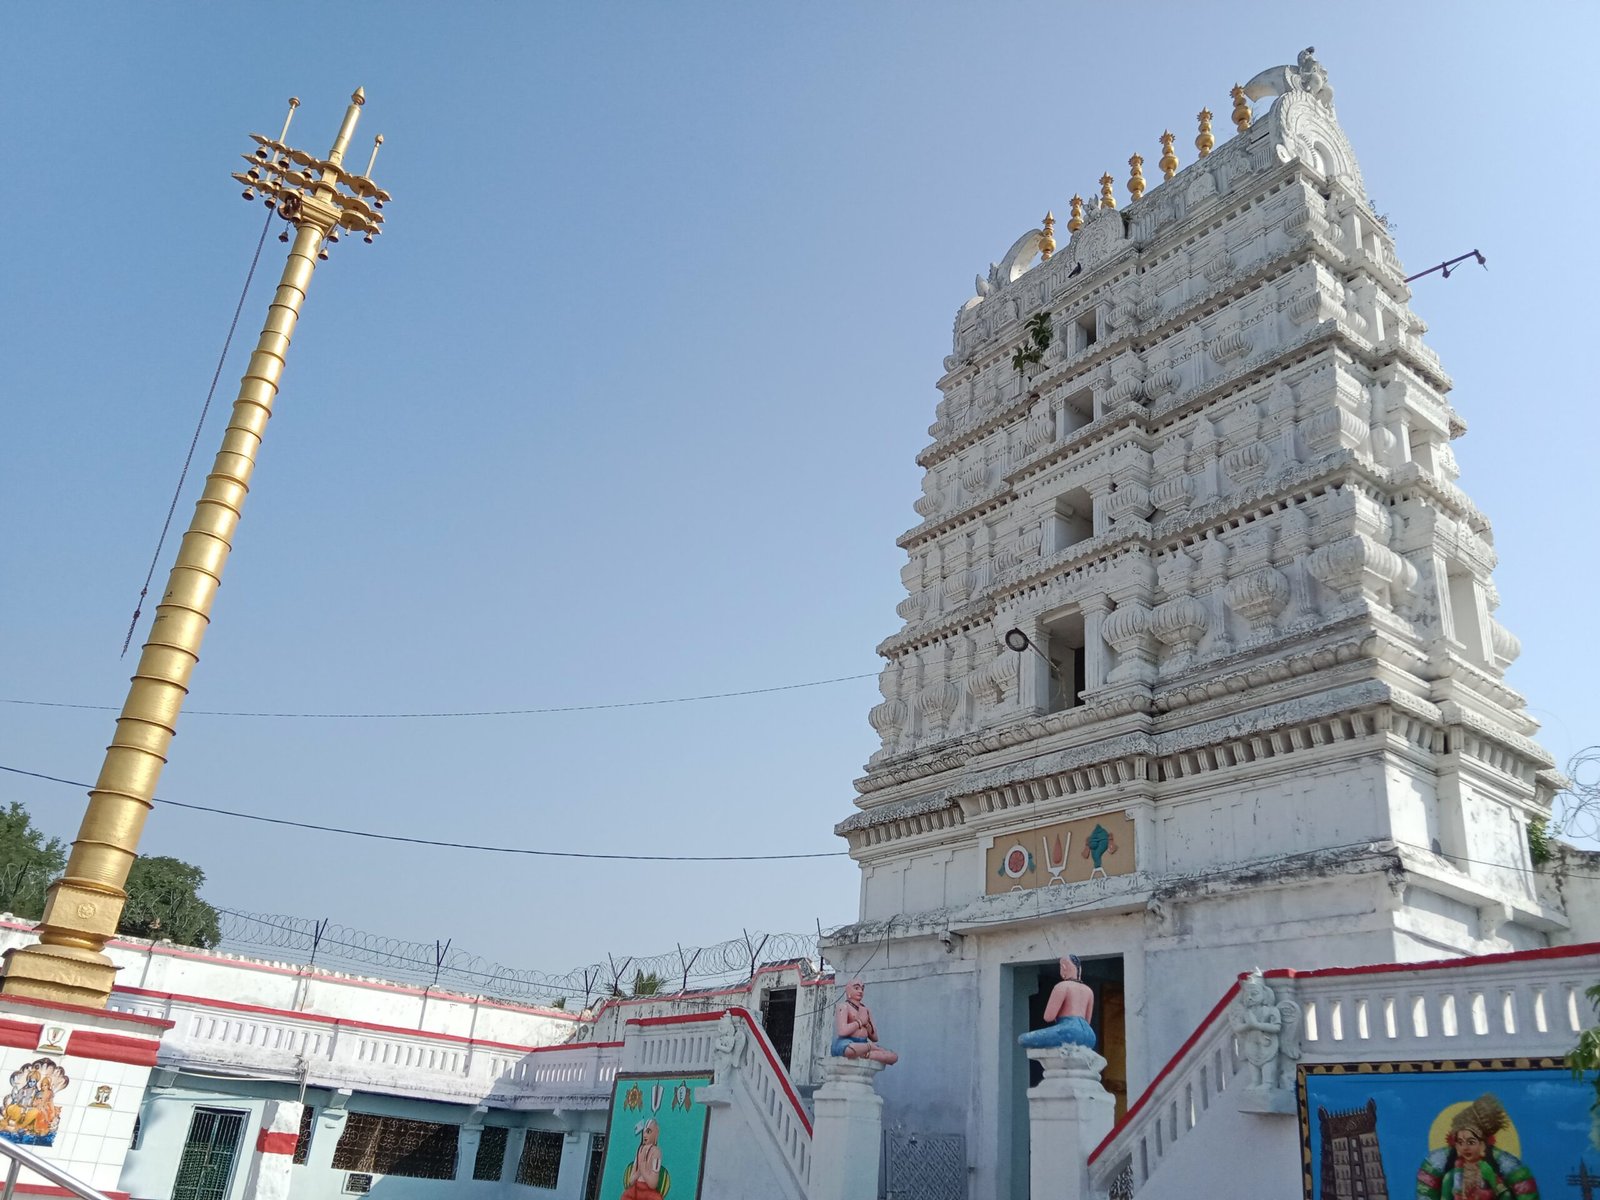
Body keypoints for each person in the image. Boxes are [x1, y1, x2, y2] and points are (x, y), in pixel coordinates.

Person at [1415, 1094, 1539, 1200]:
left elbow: (1507, 1196)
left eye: (1471, 1142)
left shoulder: (1491, 1171)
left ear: (1483, 1144)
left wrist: (1493, 1181)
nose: (1465, 1147)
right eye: (1460, 1142)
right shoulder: (1450, 1177)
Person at [1018, 955, 1096, 1048]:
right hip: (1090, 1036)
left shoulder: (1062, 986)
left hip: (1070, 1031)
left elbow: (1048, 1017)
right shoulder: (1089, 991)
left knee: (1023, 1039)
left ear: (1063, 967)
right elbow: (1087, 1021)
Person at [831, 980, 899, 1065]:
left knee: (893, 1057)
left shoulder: (866, 1010)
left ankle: (864, 1054)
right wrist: (860, 1022)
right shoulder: (844, 1007)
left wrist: (867, 1024)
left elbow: (875, 1038)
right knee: (850, 1050)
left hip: (863, 1044)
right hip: (848, 1042)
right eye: (856, 988)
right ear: (848, 990)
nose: (860, 991)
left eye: (862, 989)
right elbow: (842, 1031)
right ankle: (866, 1052)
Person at [620, 1118, 666, 1200]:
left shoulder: (656, 1152)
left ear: (655, 1134)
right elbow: (631, 1181)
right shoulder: (640, 1149)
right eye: (644, 1132)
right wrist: (639, 1172)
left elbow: (653, 1184)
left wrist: (644, 1171)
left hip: (648, 1192)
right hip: (636, 1189)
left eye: (648, 1132)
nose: (645, 1135)